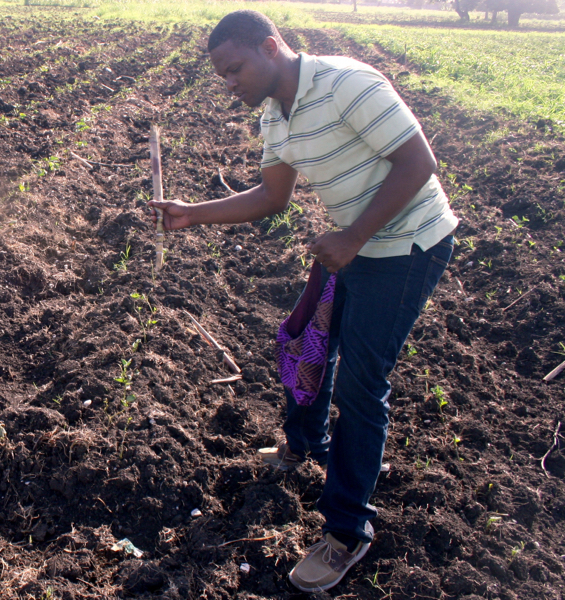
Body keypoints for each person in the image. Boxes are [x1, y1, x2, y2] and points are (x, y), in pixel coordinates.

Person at [148, 9, 458, 593]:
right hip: (354, 244)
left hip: (409, 245)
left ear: (271, 48)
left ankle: (347, 533)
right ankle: (303, 445)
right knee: (306, 340)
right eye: (222, 76)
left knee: (363, 387)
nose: (229, 83)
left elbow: (419, 164)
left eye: (234, 69)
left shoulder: (348, 83)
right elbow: (272, 196)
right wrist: (193, 214)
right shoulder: (276, 116)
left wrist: (353, 236)